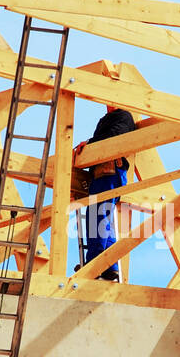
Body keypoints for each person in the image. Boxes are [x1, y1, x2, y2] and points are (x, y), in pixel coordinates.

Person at [72, 105, 137, 281]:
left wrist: (89, 144)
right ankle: (109, 266)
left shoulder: (124, 116)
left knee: (97, 215)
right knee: (103, 216)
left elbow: (114, 137)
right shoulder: (106, 119)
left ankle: (95, 262)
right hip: (102, 173)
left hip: (110, 172)